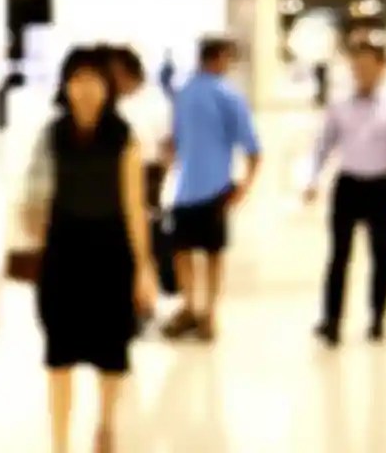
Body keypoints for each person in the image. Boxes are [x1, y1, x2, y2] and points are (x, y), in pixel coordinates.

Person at [19, 46, 156, 453]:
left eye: (94, 79)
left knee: (111, 349)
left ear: (108, 87)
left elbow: (134, 207)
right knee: (58, 353)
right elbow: (34, 196)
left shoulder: (123, 138)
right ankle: (59, 443)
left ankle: (105, 424)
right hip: (64, 252)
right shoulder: (53, 135)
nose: (85, 89)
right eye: (77, 79)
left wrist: (143, 267)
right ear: (65, 85)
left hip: (110, 253)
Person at [305, 43, 386, 346]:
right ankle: (331, 320)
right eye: (357, 67)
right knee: (339, 256)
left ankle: (377, 318)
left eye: (369, 66)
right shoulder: (339, 103)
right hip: (349, 185)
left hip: (383, 186)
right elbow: (323, 143)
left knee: (381, 256)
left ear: (383, 67)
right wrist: (312, 178)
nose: (362, 73)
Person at [162, 38, 261, 343]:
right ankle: (209, 313)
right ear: (220, 58)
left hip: (185, 188)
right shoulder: (229, 97)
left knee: (182, 251)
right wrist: (246, 183)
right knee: (214, 254)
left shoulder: (184, 93)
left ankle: (191, 305)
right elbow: (253, 148)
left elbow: (172, 143)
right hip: (217, 187)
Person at [109, 46, 176, 294]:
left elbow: (168, 143)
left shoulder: (155, 100)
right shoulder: (113, 102)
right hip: (117, 176)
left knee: (147, 235)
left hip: (149, 174)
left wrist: (162, 179)